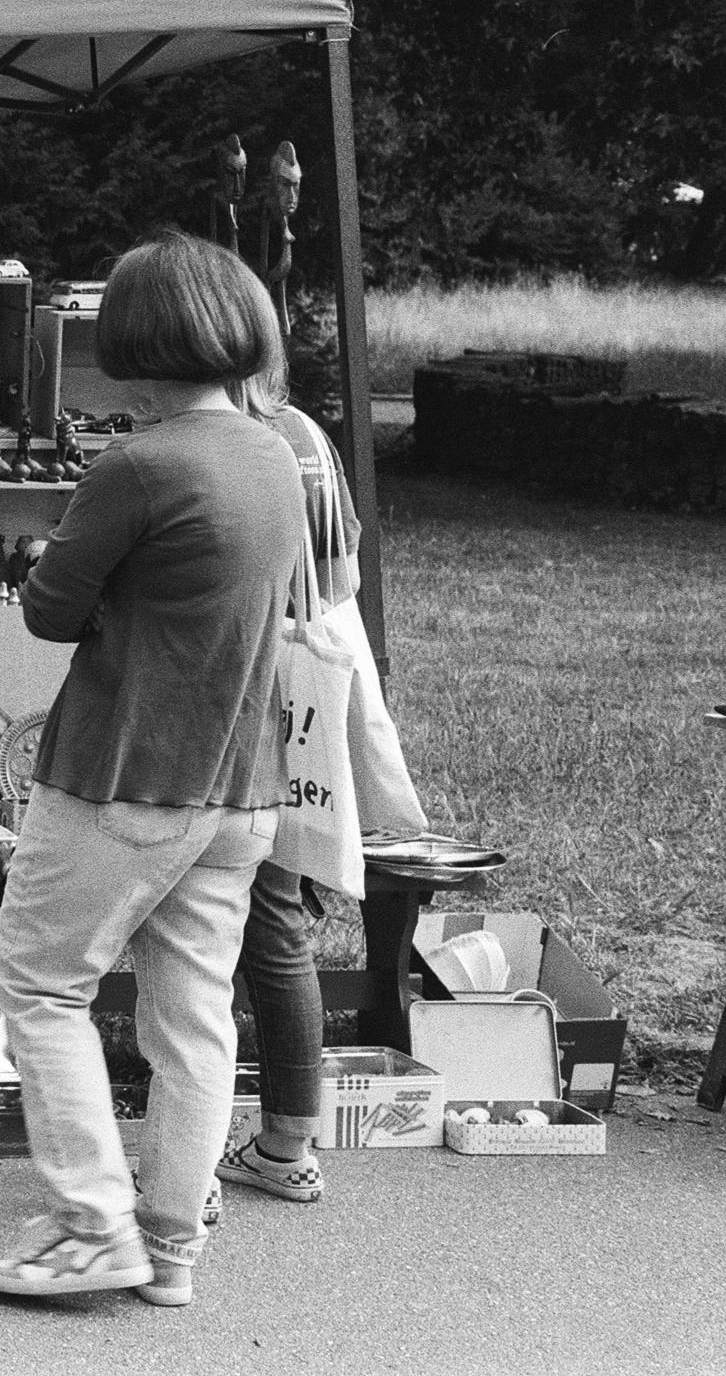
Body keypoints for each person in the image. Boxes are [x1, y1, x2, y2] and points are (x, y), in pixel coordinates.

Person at [0, 230, 304, 1311]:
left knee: (39, 984)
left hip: (128, 773)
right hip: (240, 784)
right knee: (191, 1020)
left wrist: (55, 555)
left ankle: (91, 1223)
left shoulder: (136, 464)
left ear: (134, 339)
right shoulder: (275, 450)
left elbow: (46, 611)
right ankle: (171, 1249)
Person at [220, 380, 426, 1206]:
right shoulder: (304, 431)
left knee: (190, 929)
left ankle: (182, 1166)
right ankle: (288, 1140)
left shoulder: (206, 440)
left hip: (224, 694)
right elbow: (340, 573)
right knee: (277, 920)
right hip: (298, 701)